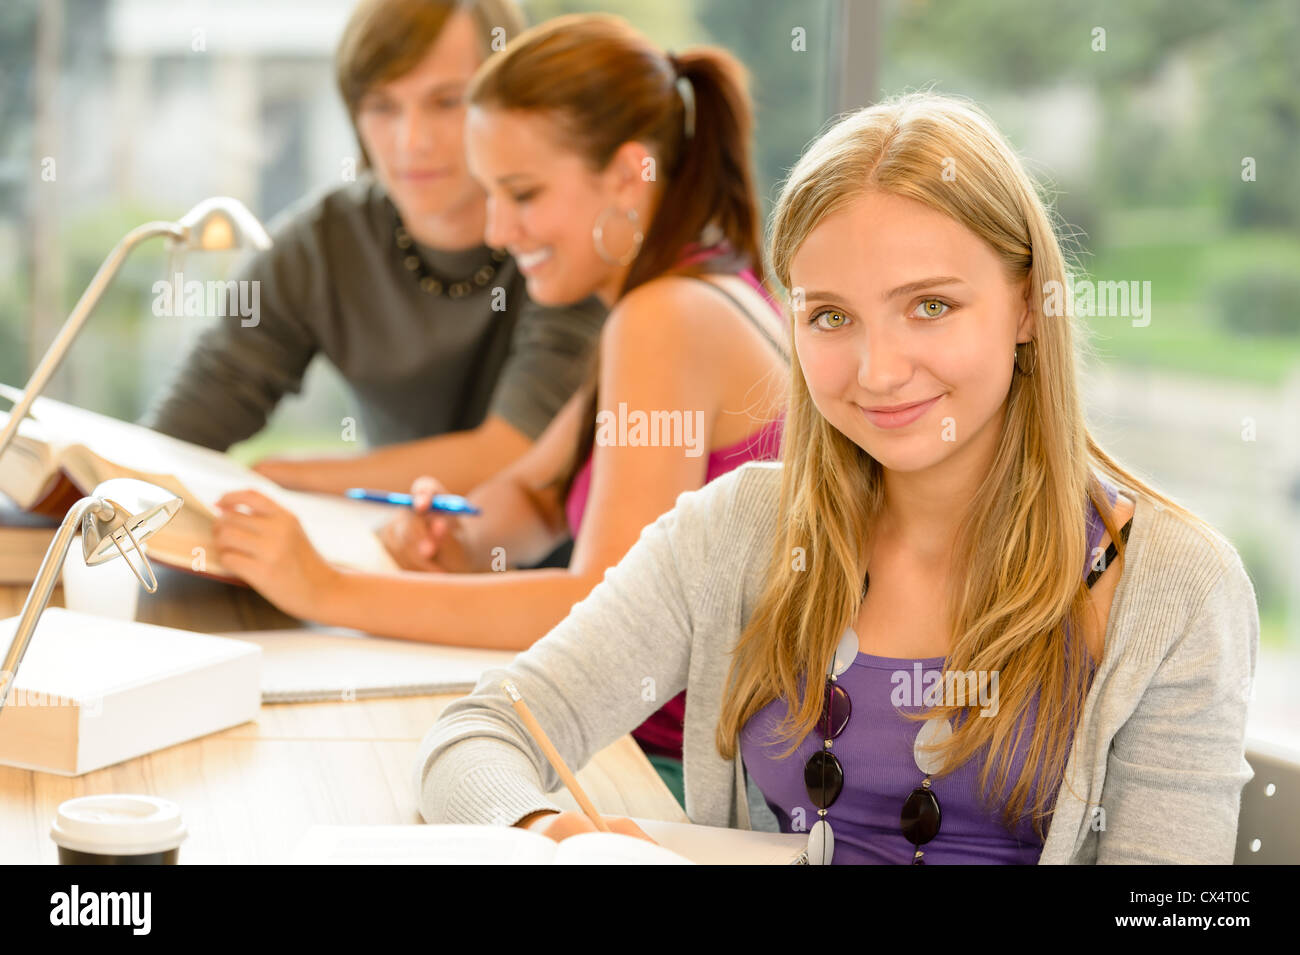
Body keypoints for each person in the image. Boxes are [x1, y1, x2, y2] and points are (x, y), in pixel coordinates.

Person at [410, 91, 1260, 863]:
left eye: (932, 305)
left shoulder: (1175, 585)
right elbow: (480, 732)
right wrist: (552, 841)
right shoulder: (738, 529)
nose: (879, 370)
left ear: (1031, 306)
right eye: (831, 316)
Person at [208, 13, 790, 805]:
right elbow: (539, 492)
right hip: (645, 745)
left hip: (684, 777)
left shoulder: (669, 318)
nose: (496, 229)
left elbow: (598, 602)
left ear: (628, 176)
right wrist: (462, 535)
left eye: (521, 194)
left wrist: (328, 589)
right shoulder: (674, 294)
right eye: (490, 194)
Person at [142, 0, 606, 500]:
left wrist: (292, 478)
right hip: (394, 549)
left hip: (573, 566)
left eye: (448, 102)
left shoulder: (564, 236)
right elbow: (185, 424)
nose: (412, 141)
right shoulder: (323, 243)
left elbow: (515, 454)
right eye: (382, 107)